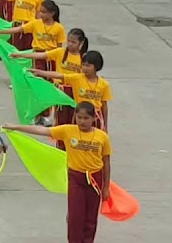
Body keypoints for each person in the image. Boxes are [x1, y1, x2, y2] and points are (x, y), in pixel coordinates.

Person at [6, 102, 110, 243]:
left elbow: (106, 162)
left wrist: (106, 187)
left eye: (86, 118)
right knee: (75, 216)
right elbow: (41, 130)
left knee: (90, 217)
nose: (82, 121)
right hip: (76, 178)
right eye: (79, 117)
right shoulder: (68, 131)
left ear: (94, 118)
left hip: (95, 179)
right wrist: (16, 127)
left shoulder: (102, 137)